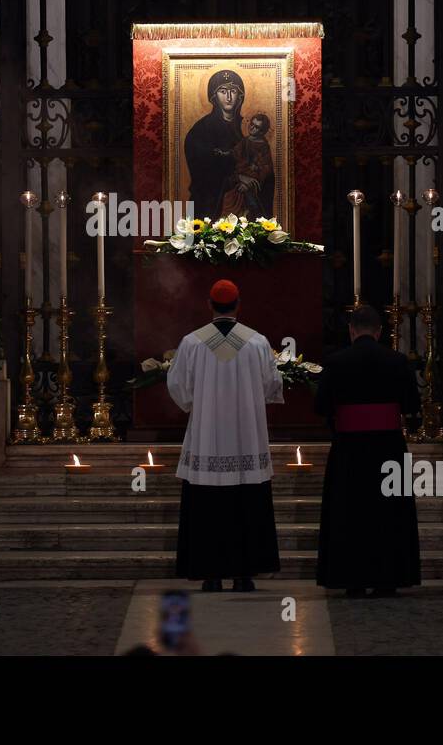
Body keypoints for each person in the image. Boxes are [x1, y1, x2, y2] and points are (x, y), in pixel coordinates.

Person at [167, 278, 282, 592]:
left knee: (209, 509)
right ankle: (244, 575)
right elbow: (272, 384)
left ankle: (210, 574)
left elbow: (177, 386)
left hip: (207, 439)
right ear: (238, 304)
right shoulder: (257, 342)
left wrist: (195, 404)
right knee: (246, 506)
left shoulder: (193, 342)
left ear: (210, 305)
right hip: (247, 437)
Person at [314, 305, 422, 597]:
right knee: (389, 512)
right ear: (379, 332)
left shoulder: (335, 362)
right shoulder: (398, 361)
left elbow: (321, 407)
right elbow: (412, 406)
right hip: (388, 446)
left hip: (349, 449)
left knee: (350, 512)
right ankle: (388, 577)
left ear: (351, 331)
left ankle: (353, 578)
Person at [183, 69, 245, 219]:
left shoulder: (247, 126)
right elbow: (202, 169)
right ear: (214, 96)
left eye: (233, 91)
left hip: (243, 200)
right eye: (223, 91)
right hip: (211, 202)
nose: (228, 97)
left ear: (240, 95)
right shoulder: (201, 129)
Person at [217, 112, 275, 220]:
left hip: (253, 179)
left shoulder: (263, 146)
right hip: (240, 175)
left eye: (257, 127)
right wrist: (225, 154)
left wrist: (250, 182)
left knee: (250, 205)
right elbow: (235, 152)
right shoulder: (245, 140)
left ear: (262, 131)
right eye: (251, 124)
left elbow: (265, 168)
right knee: (228, 198)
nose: (252, 128)